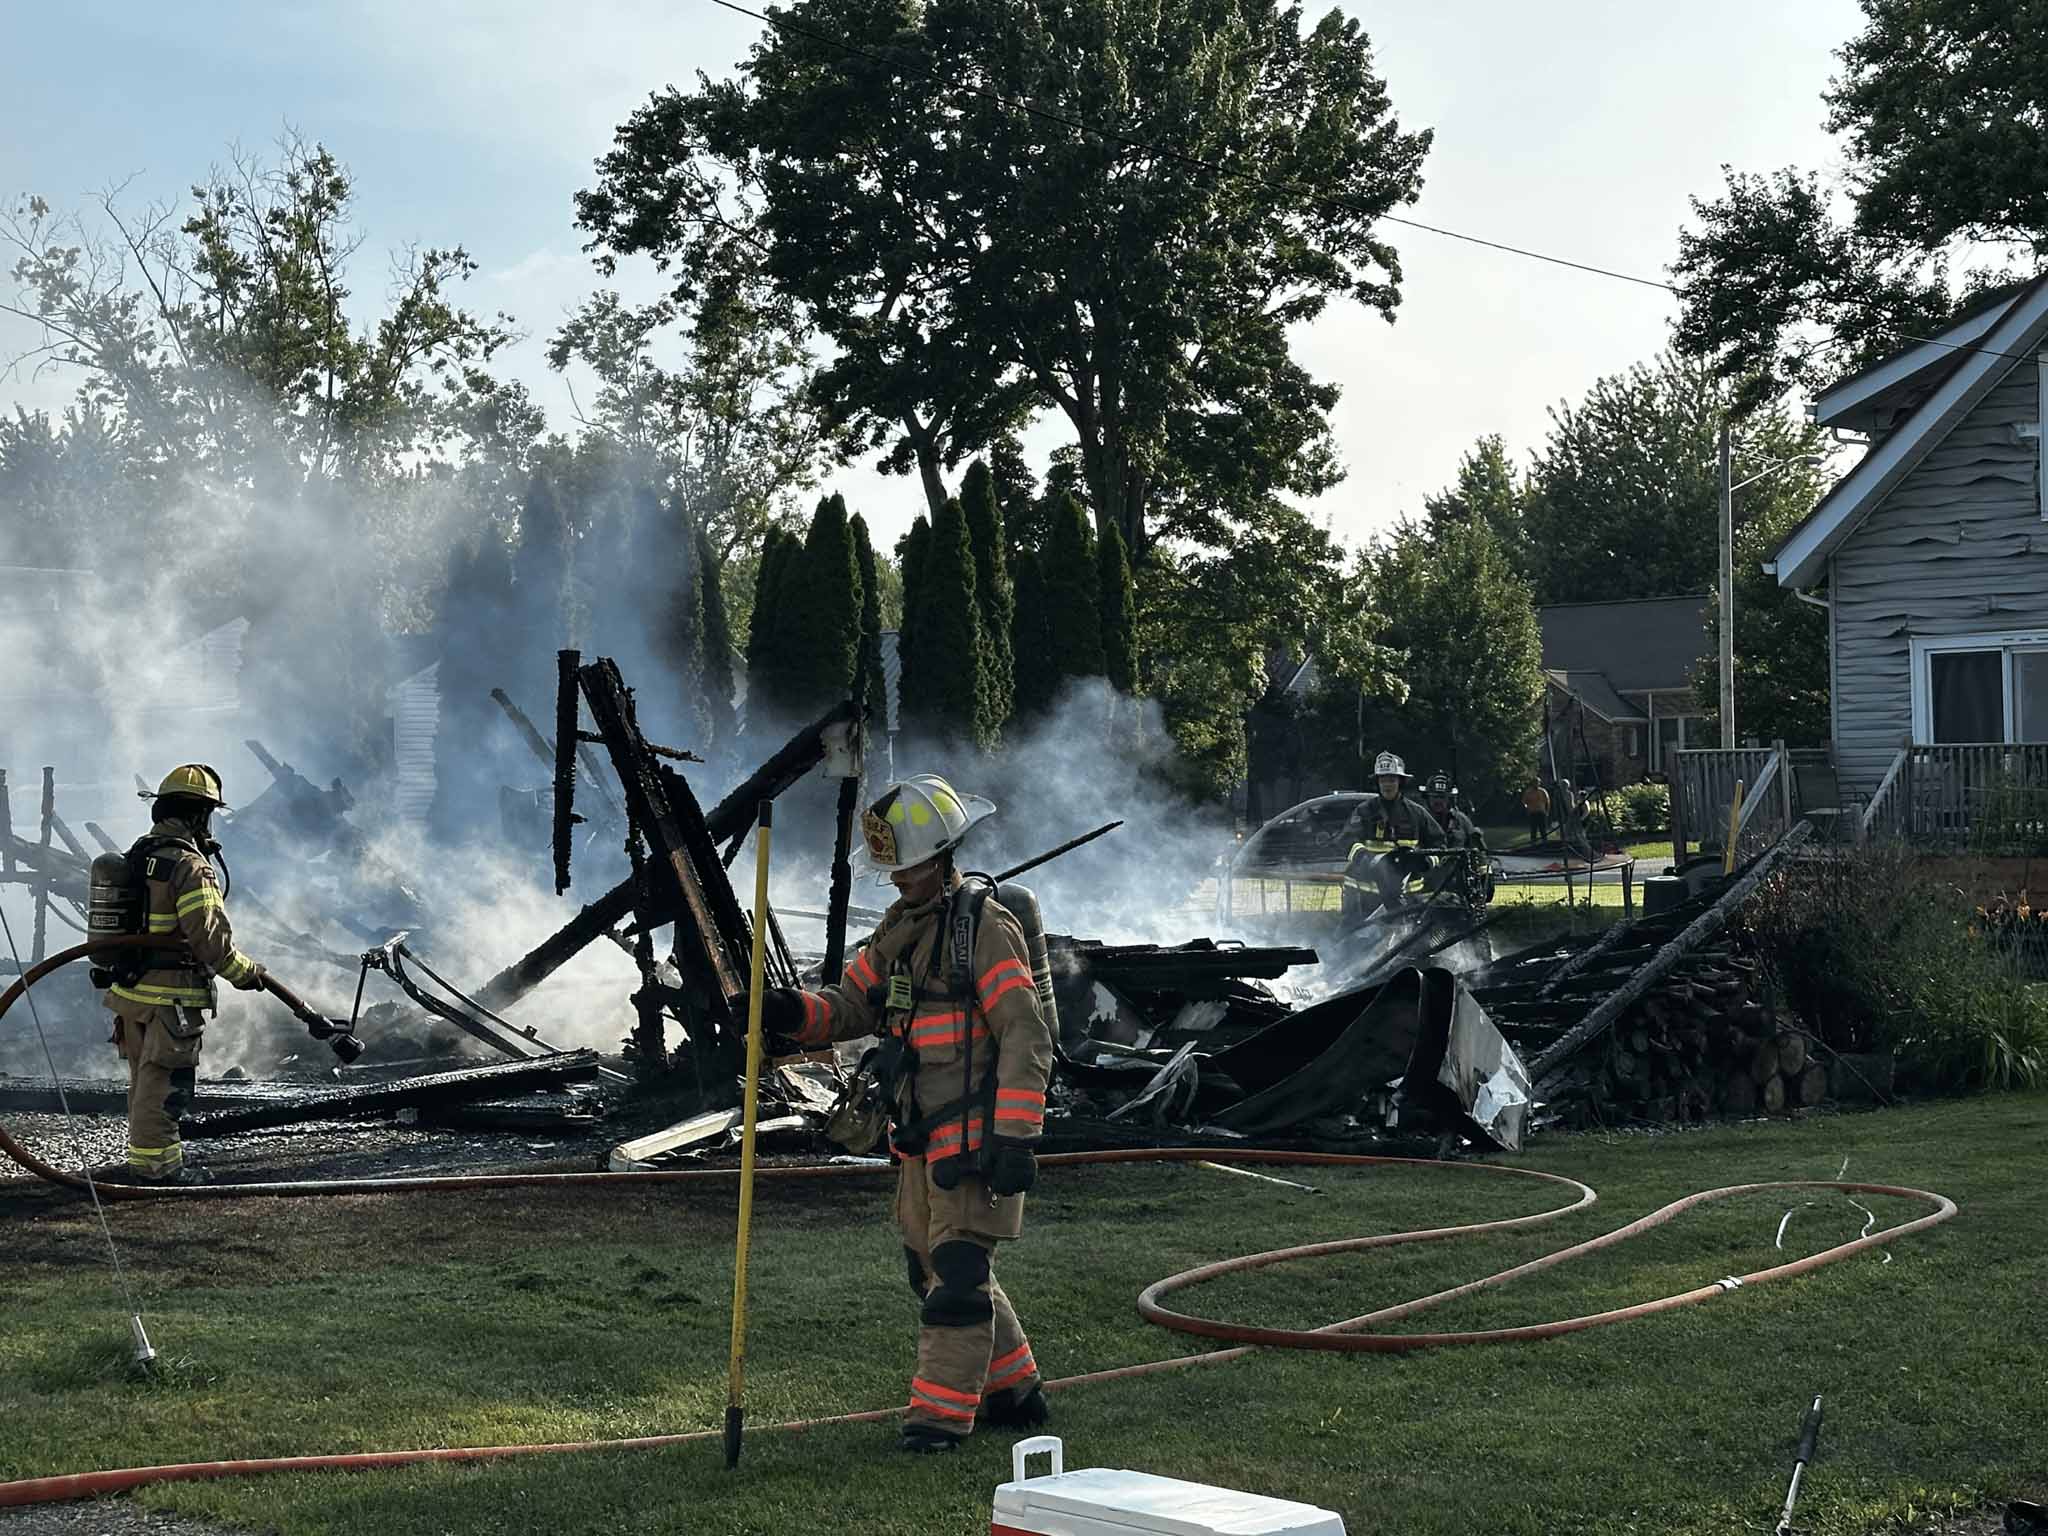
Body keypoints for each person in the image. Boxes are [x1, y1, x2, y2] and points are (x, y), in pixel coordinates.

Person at [757, 775, 1055, 1455]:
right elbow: (854, 1004)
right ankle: (1015, 1390)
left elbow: (1024, 1033)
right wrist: (793, 1012)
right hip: (919, 1138)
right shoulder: (902, 928)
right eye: (891, 869)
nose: (897, 881)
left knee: (955, 1279)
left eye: (909, 867)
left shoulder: (983, 928)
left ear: (945, 855)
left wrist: (1017, 1135)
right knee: (932, 1268)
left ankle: (937, 1422)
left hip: (977, 1140)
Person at [105, 765, 267, 1185]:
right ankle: (158, 1171)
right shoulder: (189, 867)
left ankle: (148, 1163)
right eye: (208, 815)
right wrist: (246, 973)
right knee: (163, 1091)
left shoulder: (139, 856)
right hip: (170, 1002)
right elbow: (209, 941)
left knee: (144, 1083)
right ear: (198, 815)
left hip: (133, 995)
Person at [1338, 753, 1444, 920]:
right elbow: (1346, 840)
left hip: (1405, 898)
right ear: (1377, 782)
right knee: (1354, 943)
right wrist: (1366, 859)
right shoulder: (1365, 811)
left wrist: (1425, 861)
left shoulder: (1416, 813)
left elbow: (1439, 844)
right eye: (1383, 780)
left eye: (1392, 780)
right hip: (1364, 896)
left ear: (1400, 782)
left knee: (1409, 943)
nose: (1387, 785)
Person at [1423, 773, 1485, 852]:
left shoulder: (1462, 820)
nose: (1438, 801)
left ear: (1450, 799)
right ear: (1427, 798)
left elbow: (1481, 855)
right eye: (1434, 797)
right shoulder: (1420, 820)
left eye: (1442, 797)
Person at [1521, 781, 1551, 845]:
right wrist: (1527, 808)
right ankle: (1533, 843)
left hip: (1541, 812)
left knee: (1543, 829)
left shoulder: (1543, 791)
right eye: (1535, 782)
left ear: (1539, 783)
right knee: (1533, 829)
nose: (1536, 784)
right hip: (1532, 812)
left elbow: (1547, 801)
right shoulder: (1528, 792)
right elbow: (1524, 801)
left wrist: (1547, 811)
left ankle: (1545, 843)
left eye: (1537, 782)